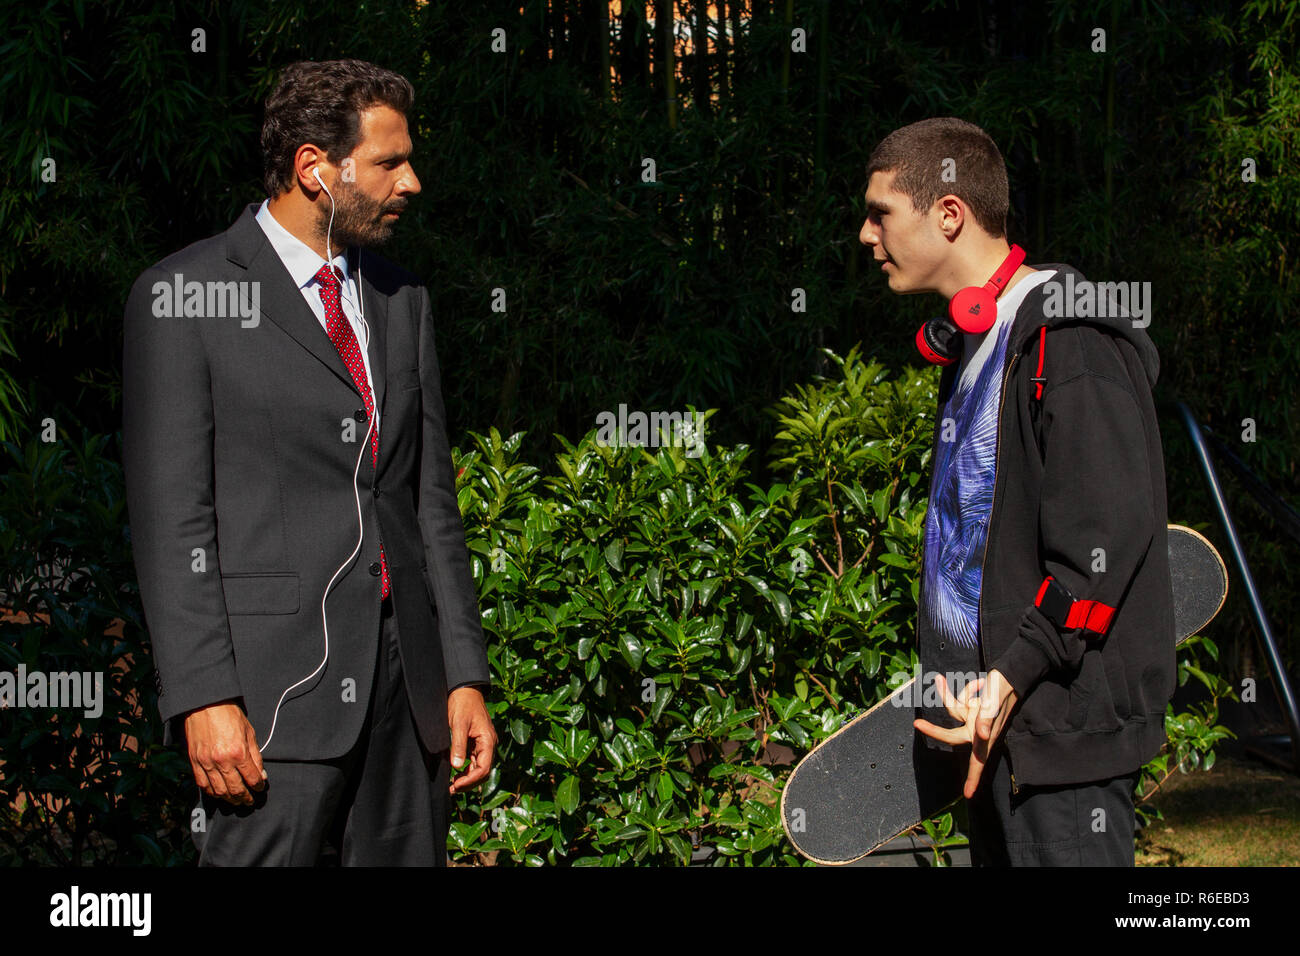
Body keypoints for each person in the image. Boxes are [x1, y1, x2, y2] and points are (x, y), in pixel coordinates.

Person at [122, 59, 496, 866]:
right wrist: (203, 697)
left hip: (409, 700)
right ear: (314, 169)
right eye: (390, 162)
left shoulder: (404, 300)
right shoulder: (183, 297)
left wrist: (463, 673)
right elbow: (171, 520)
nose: (413, 182)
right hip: (268, 705)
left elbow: (431, 503)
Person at [858, 117, 1176, 865]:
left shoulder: (1069, 341)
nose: (867, 237)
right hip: (995, 729)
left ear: (948, 213)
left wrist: (1014, 673)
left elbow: (1104, 542)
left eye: (880, 214)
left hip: (1059, 738)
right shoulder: (975, 345)